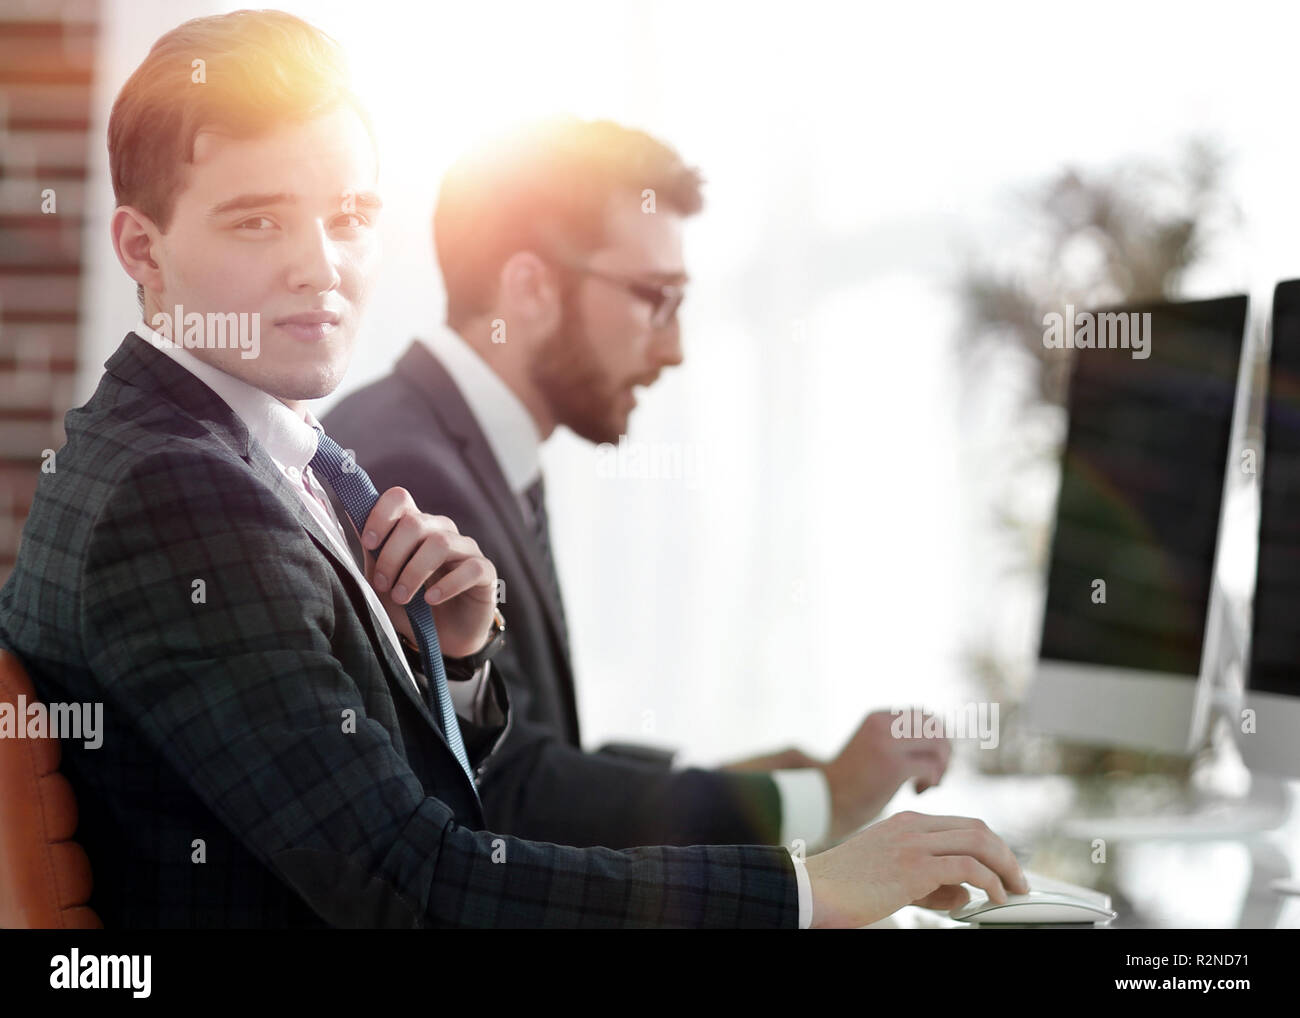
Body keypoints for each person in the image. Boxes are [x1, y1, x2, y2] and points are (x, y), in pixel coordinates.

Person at [0, 9, 1026, 928]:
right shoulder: (181, 493)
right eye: (259, 219)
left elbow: (386, 797)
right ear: (142, 247)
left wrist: (451, 665)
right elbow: (407, 879)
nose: (322, 262)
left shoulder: (238, 447)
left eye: (350, 216)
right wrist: (810, 891)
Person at [323, 118, 944, 851]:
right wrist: (815, 801)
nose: (675, 349)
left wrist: (740, 788)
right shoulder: (412, 470)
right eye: (657, 297)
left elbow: (520, 743)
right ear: (530, 288)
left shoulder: (455, 442)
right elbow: (502, 792)